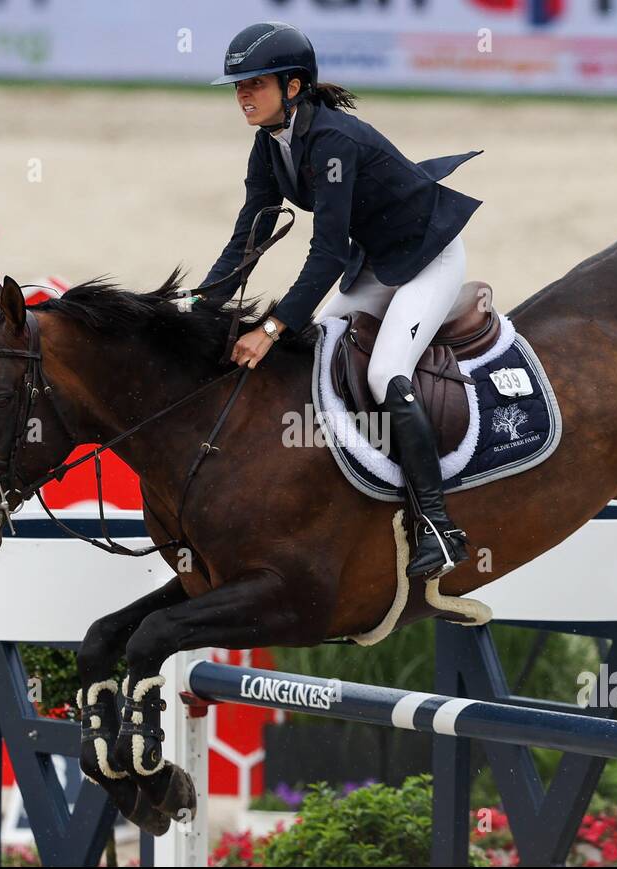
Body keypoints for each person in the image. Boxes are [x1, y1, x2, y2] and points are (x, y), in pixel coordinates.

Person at [200, 20, 484, 580]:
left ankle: (439, 526)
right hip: (377, 262)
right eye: (238, 85)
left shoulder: (332, 140)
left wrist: (273, 327)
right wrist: (200, 306)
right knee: (320, 356)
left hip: (428, 259)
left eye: (255, 83)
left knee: (385, 375)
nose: (243, 95)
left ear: (294, 86)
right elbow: (247, 237)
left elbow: (326, 254)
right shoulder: (270, 144)